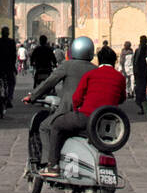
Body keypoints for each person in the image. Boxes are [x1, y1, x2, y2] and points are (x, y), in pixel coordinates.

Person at [42, 49, 126, 176]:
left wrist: (77, 108)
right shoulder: (120, 78)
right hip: (107, 123)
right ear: (114, 62)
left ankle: (53, 165)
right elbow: (122, 98)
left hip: (86, 117)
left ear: (99, 60)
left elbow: (76, 99)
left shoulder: (91, 74)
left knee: (56, 125)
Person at [25, 35, 96, 168]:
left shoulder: (68, 65)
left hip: (69, 110)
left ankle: (49, 163)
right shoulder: (94, 68)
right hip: (91, 114)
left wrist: (32, 96)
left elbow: (49, 82)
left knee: (45, 127)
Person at [0, 26, 17, 104]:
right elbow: (13, 56)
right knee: (11, 82)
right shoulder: (11, 42)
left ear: (1, 33)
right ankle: (9, 97)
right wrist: (13, 67)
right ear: (8, 33)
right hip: (8, 67)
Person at [133, 35, 147, 114]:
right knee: (139, 93)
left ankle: (146, 108)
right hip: (139, 75)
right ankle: (142, 108)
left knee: (146, 92)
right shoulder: (138, 50)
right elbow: (135, 63)